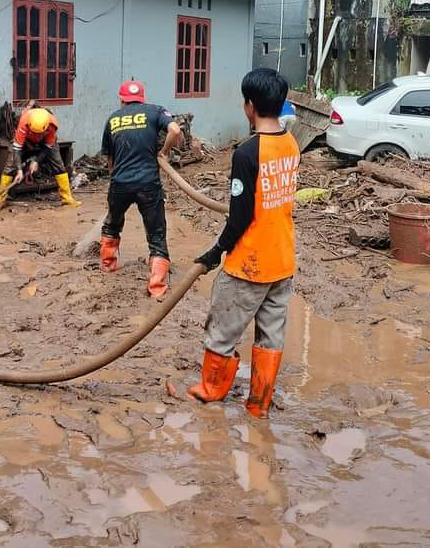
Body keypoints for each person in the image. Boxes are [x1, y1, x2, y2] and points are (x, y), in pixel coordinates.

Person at [188, 67, 300, 418]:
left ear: (250, 105)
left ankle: (211, 390)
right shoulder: (291, 143)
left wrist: (215, 252)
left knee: (222, 330)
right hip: (282, 259)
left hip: (249, 263)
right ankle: (259, 403)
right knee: (271, 336)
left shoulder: (247, 153)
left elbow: (239, 218)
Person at [99, 80, 183, 298]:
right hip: (148, 184)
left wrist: (116, 183)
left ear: (122, 99)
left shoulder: (113, 119)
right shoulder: (155, 111)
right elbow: (175, 130)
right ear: (142, 98)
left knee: (112, 224)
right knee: (156, 234)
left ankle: (108, 266)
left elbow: (110, 162)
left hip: (120, 183)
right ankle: (156, 288)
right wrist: (164, 151)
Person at [0, 106, 81, 210]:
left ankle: (67, 198)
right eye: (34, 132)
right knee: (10, 166)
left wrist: (36, 161)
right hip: (26, 139)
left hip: (46, 141)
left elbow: (47, 147)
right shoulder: (24, 123)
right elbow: (17, 149)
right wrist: (19, 170)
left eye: (39, 133)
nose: (36, 135)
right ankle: (0, 200)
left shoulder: (52, 125)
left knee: (58, 164)